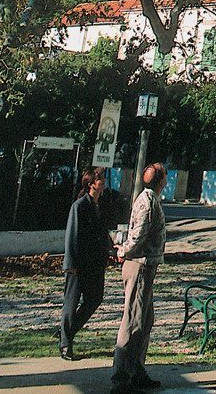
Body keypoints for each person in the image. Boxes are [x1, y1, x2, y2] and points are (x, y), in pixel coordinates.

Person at [110, 163, 167, 394]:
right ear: (161, 180)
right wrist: (122, 252)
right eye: (165, 173)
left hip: (146, 267)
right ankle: (121, 379)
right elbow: (137, 236)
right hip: (139, 267)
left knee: (145, 322)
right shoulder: (147, 202)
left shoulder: (152, 199)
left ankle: (136, 372)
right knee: (133, 322)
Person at [59, 167, 112, 360]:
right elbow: (72, 236)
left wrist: (110, 252)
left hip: (96, 263)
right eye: (99, 179)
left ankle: (67, 332)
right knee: (71, 303)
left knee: (95, 298)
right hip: (79, 264)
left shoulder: (101, 205)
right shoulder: (79, 206)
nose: (103, 181)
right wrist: (70, 263)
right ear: (90, 184)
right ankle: (65, 344)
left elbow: (104, 233)